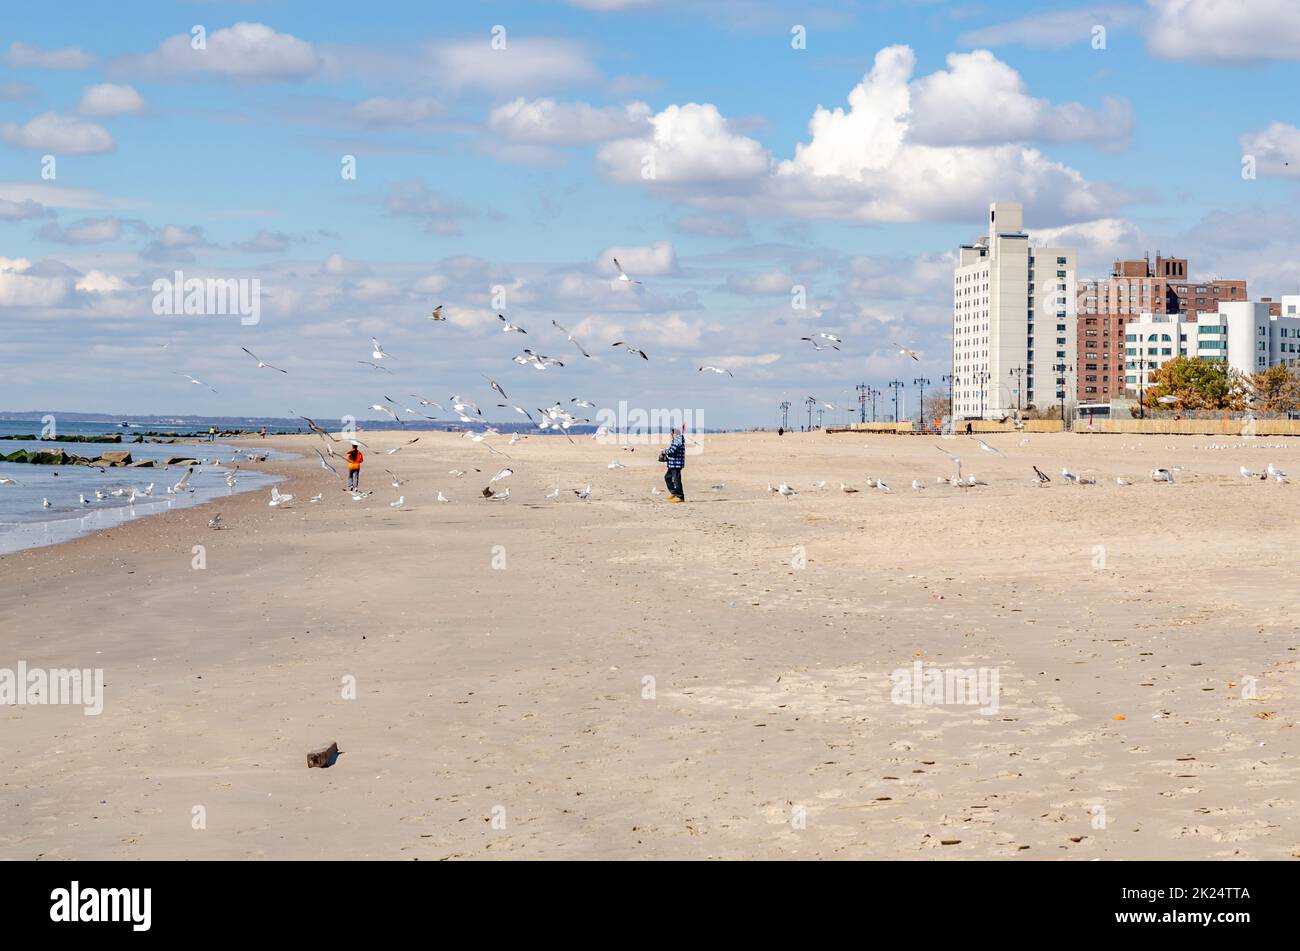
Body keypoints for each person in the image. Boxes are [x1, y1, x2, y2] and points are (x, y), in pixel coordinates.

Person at [662, 426, 686, 503]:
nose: (671, 435)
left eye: (672, 434)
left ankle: (680, 497)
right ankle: (675, 493)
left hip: (676, 464)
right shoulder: (676, 440)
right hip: (673, 464)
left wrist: (665, 451)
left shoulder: (678, 440)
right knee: (667, 477)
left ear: (675, 433)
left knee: (676, 480)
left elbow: (672, 450)